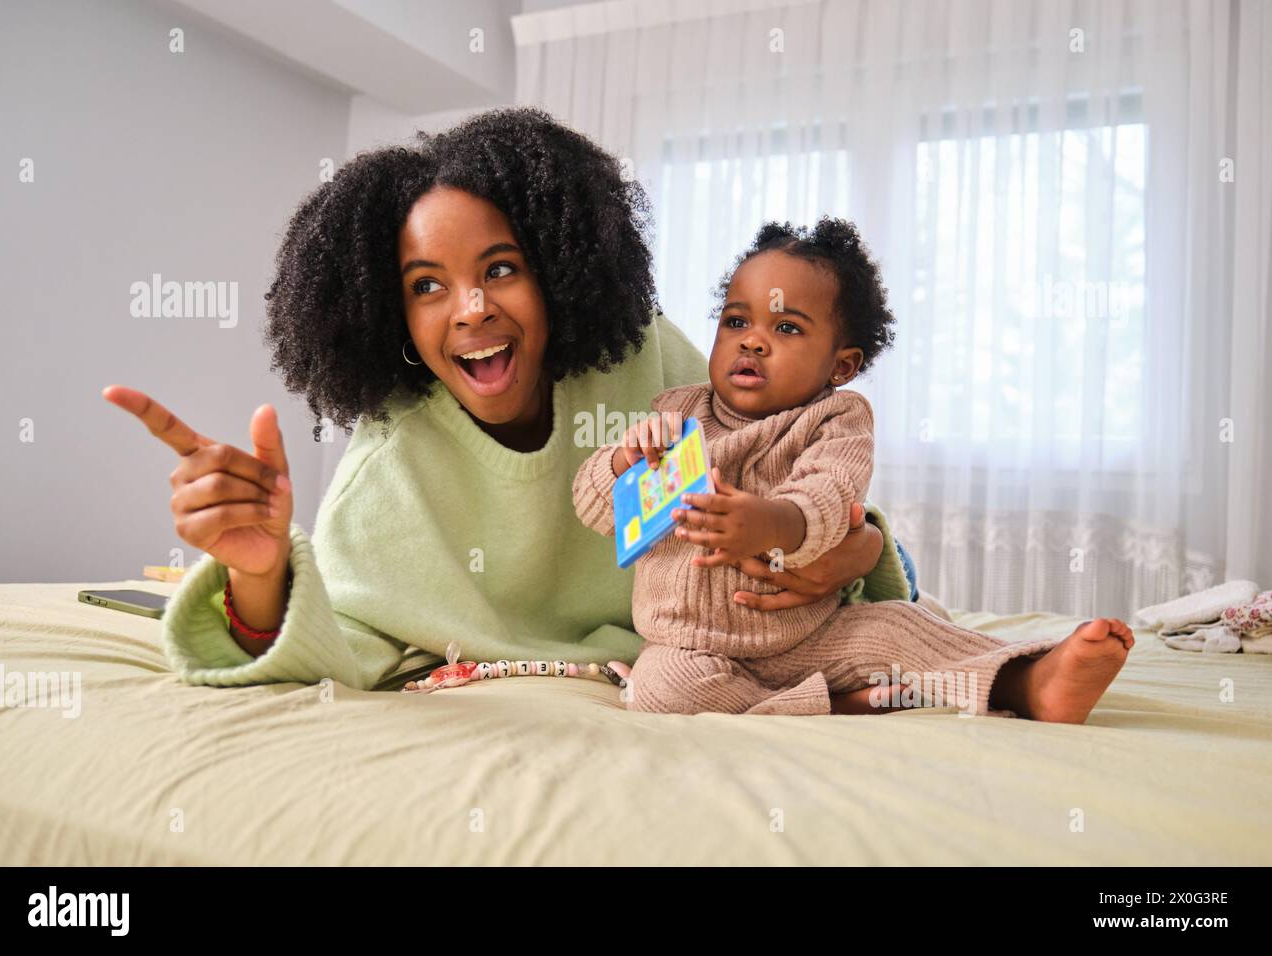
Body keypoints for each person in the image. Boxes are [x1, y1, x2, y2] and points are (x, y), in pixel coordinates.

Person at [101, 107, 916, 694]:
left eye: (500, 269)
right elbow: (350, 639)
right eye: (427, 286)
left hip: (737, 630)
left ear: (558, 274)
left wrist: (856, 549)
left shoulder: (645, 352)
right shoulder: (390, 466)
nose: (471, 309)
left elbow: (786, 453)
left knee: (912, 641)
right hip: (680, 675)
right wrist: (260, 574)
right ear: (392, 316)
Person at [573, 218, 1135, 721]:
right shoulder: (673, 416)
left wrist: (769, 524)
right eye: (735, 320)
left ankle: (1027, 681)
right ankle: (837, 705)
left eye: (787, 328)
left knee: (899, 632)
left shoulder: (836, 418)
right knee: (662, 690)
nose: (753, 340)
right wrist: (624, 459)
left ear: (841, 365)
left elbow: (827, 495)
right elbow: (592, 506)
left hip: (811, 633)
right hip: (692, 646)